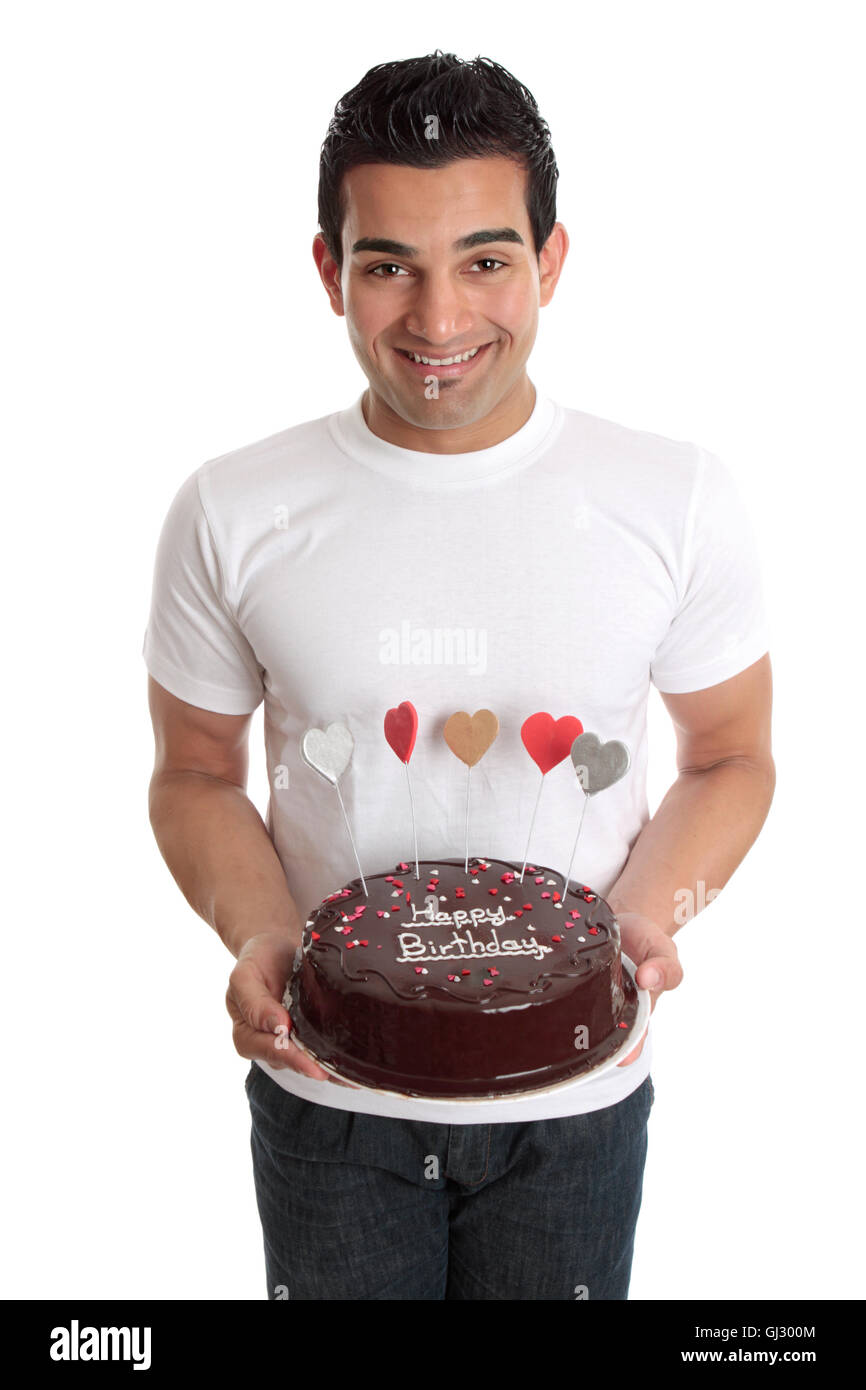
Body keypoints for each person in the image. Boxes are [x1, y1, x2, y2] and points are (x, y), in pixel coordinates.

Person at [144, 51, 775, 1300]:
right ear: (329, 270)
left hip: (579, 1108)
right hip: (327, 1100)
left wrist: (646, 921)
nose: (437, 322)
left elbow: (729, 754)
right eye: (389, 267)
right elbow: (195, 773)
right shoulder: (231, 508)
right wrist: (263, 932)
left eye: (484, 260)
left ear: (548, 260)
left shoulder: (676, 497)